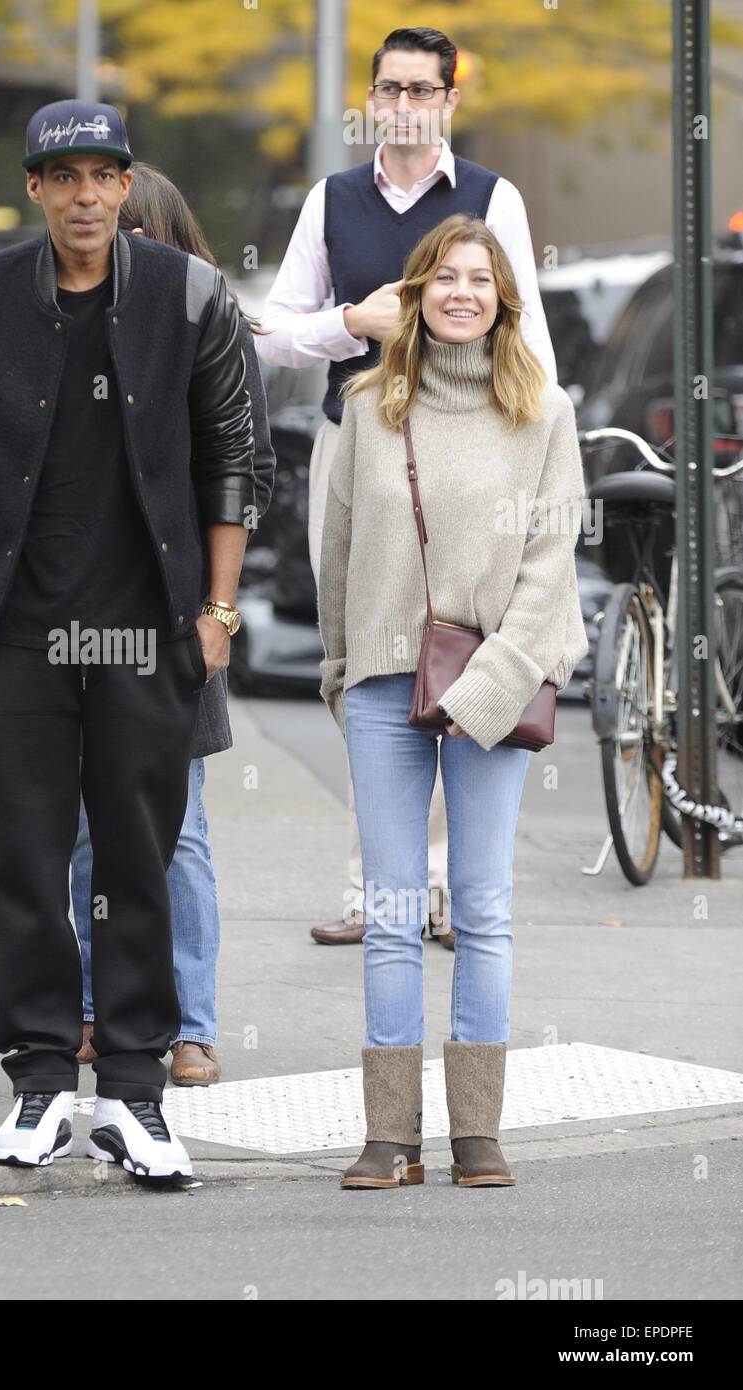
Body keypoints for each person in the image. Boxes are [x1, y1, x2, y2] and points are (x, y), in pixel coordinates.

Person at [0, 99, 254, 1180]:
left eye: (105, 176)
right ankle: (42, 1082)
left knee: (140, 860)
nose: (87, 195)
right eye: (65, 178)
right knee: (25, 860)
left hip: (146, 629)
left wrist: (219, 611)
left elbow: (233, 464)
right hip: (16, 629)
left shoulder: (192, 296)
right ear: (37, 190)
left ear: (125, 185)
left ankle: (140, 1097)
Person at [254, 26, 557, 947]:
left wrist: (539, 448)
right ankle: (374, 887)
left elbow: (527, 329)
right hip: (360, 456)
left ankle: (448, 893)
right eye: (390, 89)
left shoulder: (489, 197)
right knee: (364, 664)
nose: (405, 105)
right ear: (372, 100)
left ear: (449, 101)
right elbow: (271, 331)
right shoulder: (332, 199)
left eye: (423, 89)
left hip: (471, 458)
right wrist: (351, 322)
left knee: (461, 649)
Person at [317, 214, 589, 1189]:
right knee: (392, 910)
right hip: (386, 689)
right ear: (419, 294)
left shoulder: (541, 413)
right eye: (445, 279)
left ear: (503, 299)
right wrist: (340, 671)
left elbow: (553, 570)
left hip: (499, 690)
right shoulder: (370, 406)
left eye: (481, 279)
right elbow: (339, 550)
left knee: (480, 908)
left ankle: (479, 1132)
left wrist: (482, 692)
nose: (462, 293)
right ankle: (389, 1138)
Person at [70, 161, 276, 1087]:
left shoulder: (209, 327)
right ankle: (90, 1007)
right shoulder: (64, 320)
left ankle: (189, 1025)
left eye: (141, 231)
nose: (127, 249)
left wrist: (212, 602)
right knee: (83, 829)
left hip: (180, 612)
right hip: (75, 617)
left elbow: (251, 469)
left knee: (178, 830)